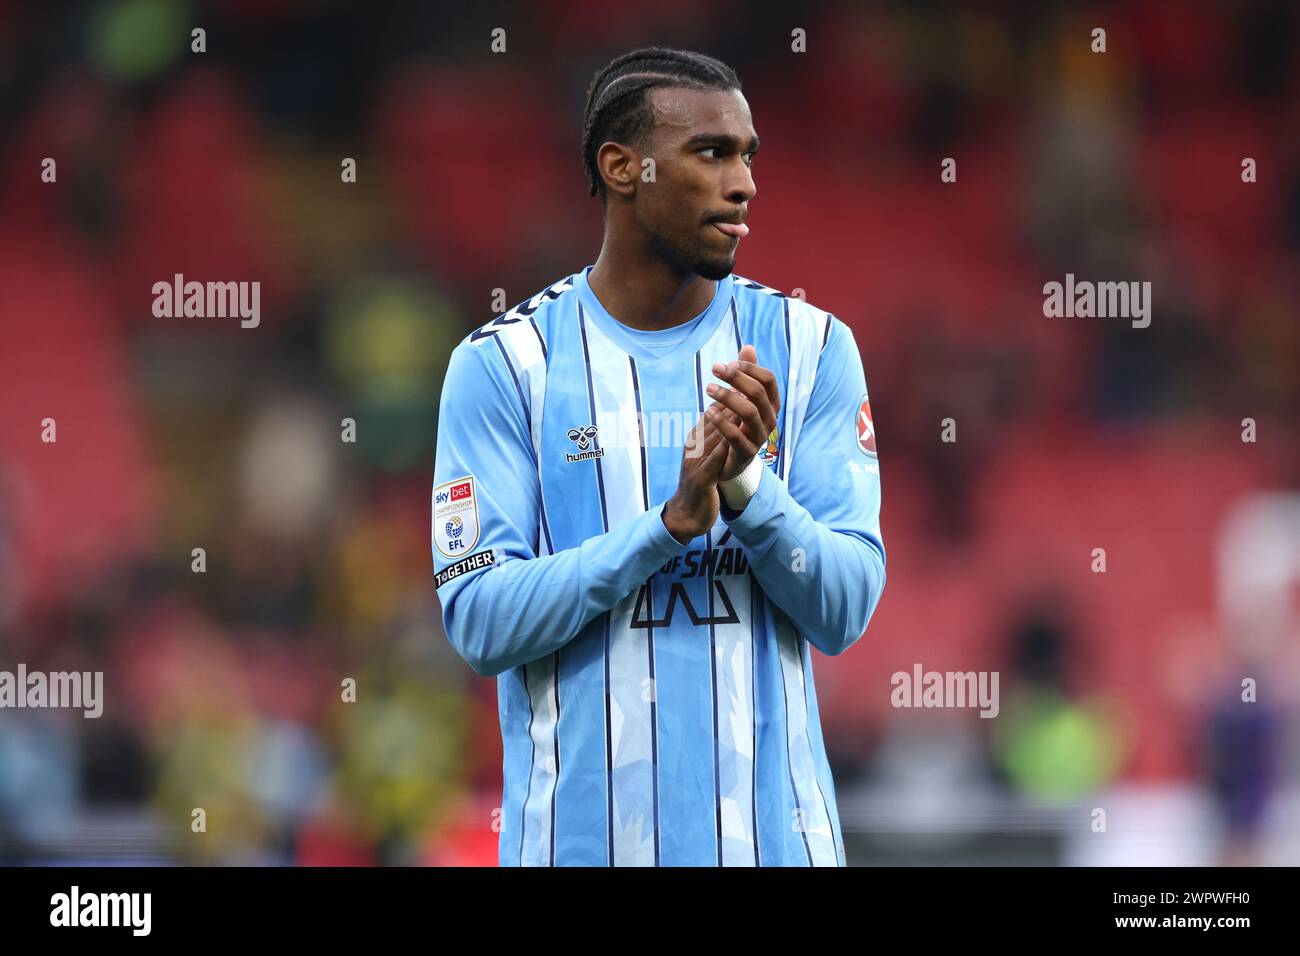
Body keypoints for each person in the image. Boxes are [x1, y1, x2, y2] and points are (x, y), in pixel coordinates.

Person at [432, 47, 886, 866]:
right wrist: (666, 528)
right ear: (622, 167)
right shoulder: (505, 367)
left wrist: (750, 487)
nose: (743, 184)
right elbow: (479, 620)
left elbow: (846, 607)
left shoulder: (812, 349)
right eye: (710, 153)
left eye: (748, 156)